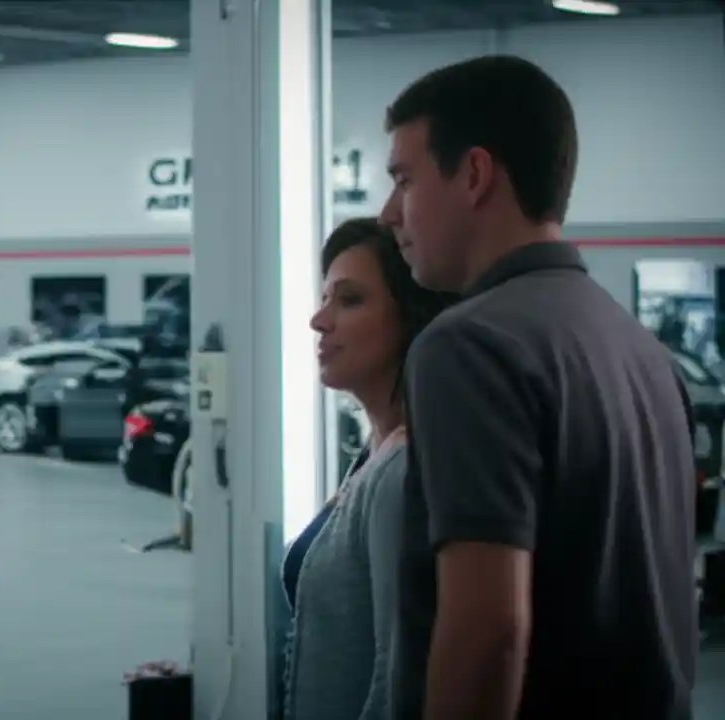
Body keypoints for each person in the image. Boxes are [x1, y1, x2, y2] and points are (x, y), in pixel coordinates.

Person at [379, 55, 698, 719]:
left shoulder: (469, 346)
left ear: (474, 174)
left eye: (404, 180)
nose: (388, 214)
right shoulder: (642, 352)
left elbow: (488, 632)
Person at [279, 217, 455, 720]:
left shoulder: (400, 471)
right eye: (324, 297)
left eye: (349, 300)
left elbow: (393, 675)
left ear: (410, 318)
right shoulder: (371, 455)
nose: (319, 320)